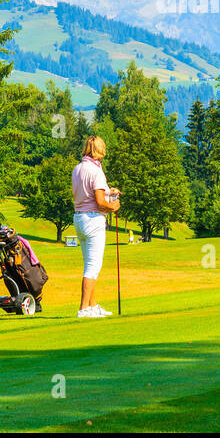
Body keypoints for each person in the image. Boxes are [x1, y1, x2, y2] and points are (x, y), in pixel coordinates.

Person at [71, 136, 121, 318]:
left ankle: (92, 306)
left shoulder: (77, 169)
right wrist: (113, 205)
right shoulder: (96, 171)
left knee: (88, 265)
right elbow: (100, 202)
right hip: (93, 219)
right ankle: (84, 308)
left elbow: (87, 194)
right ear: (100, 150)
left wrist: (109, 192)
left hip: (79, 218)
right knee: (93, 267)